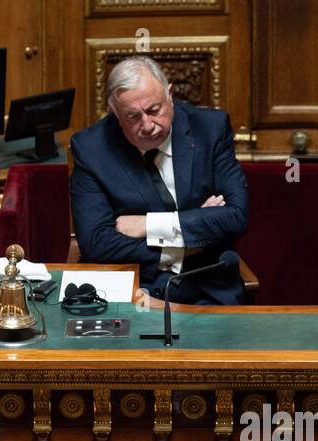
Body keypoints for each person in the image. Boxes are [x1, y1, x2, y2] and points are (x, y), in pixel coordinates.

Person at [68, 56, 248, 305]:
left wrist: (147, 225)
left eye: (154, 110)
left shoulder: (210, 129)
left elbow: (236, 217)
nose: (148, 125)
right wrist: (188, 238)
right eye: (132, 117)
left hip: (205, 286)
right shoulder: (91, 148)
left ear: (170, 96)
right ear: (116, 115)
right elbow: (96, 243)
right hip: (132, 288)